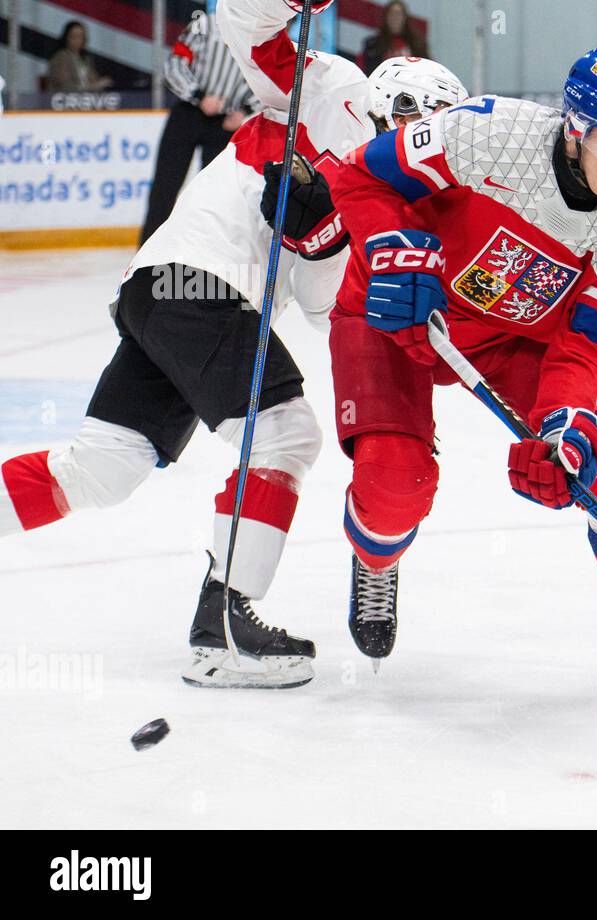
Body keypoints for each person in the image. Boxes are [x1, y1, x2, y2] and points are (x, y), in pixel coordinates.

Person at [0, 0, 465, 689]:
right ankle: (222, 631)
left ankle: (219, 628)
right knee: (287, 435)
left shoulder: (384, 197)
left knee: (104, 467)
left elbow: (316, 303)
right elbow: (243, 28)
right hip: (200, 280)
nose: (419, 149)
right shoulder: (330, 87)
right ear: (389, 104)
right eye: (414, 126)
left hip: (169, 291)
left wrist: (326, 235)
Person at [324, 49, 597, 683]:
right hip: (394, 314)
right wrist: (388, 250)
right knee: (393, 488)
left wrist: (567, 424)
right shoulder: (487, 133)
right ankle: (377, 559)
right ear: (576, 126)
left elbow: (592, 350)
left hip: (510, 343)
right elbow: (362, 176)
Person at [140, 9, 260, 245]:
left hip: (224, 123)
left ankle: (205, 252)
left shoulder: (259, 35)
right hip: (189, 113)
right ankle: (147, 253)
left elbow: (266, 81)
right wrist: (197, 95)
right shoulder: (204, 25)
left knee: (215, 194)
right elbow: (174, 65)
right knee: (166, 185)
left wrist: (244, 110)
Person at [357, 1, 429, 76]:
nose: (395, 18)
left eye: (398, 14)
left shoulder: (417, 43)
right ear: (386, 17)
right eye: (392, 14)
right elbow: (361, 71)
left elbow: (429, 68)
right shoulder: (372, 45)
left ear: (405, 18)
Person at [46, 21, 112, 93]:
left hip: (87, 100)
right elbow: (65, 87)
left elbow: (94, 80)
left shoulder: (86, 59)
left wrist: (100, 83)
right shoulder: (60, 58)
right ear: (66, 38)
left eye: (81, 37)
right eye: (74, 37)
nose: (78, 40)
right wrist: (91, 87)